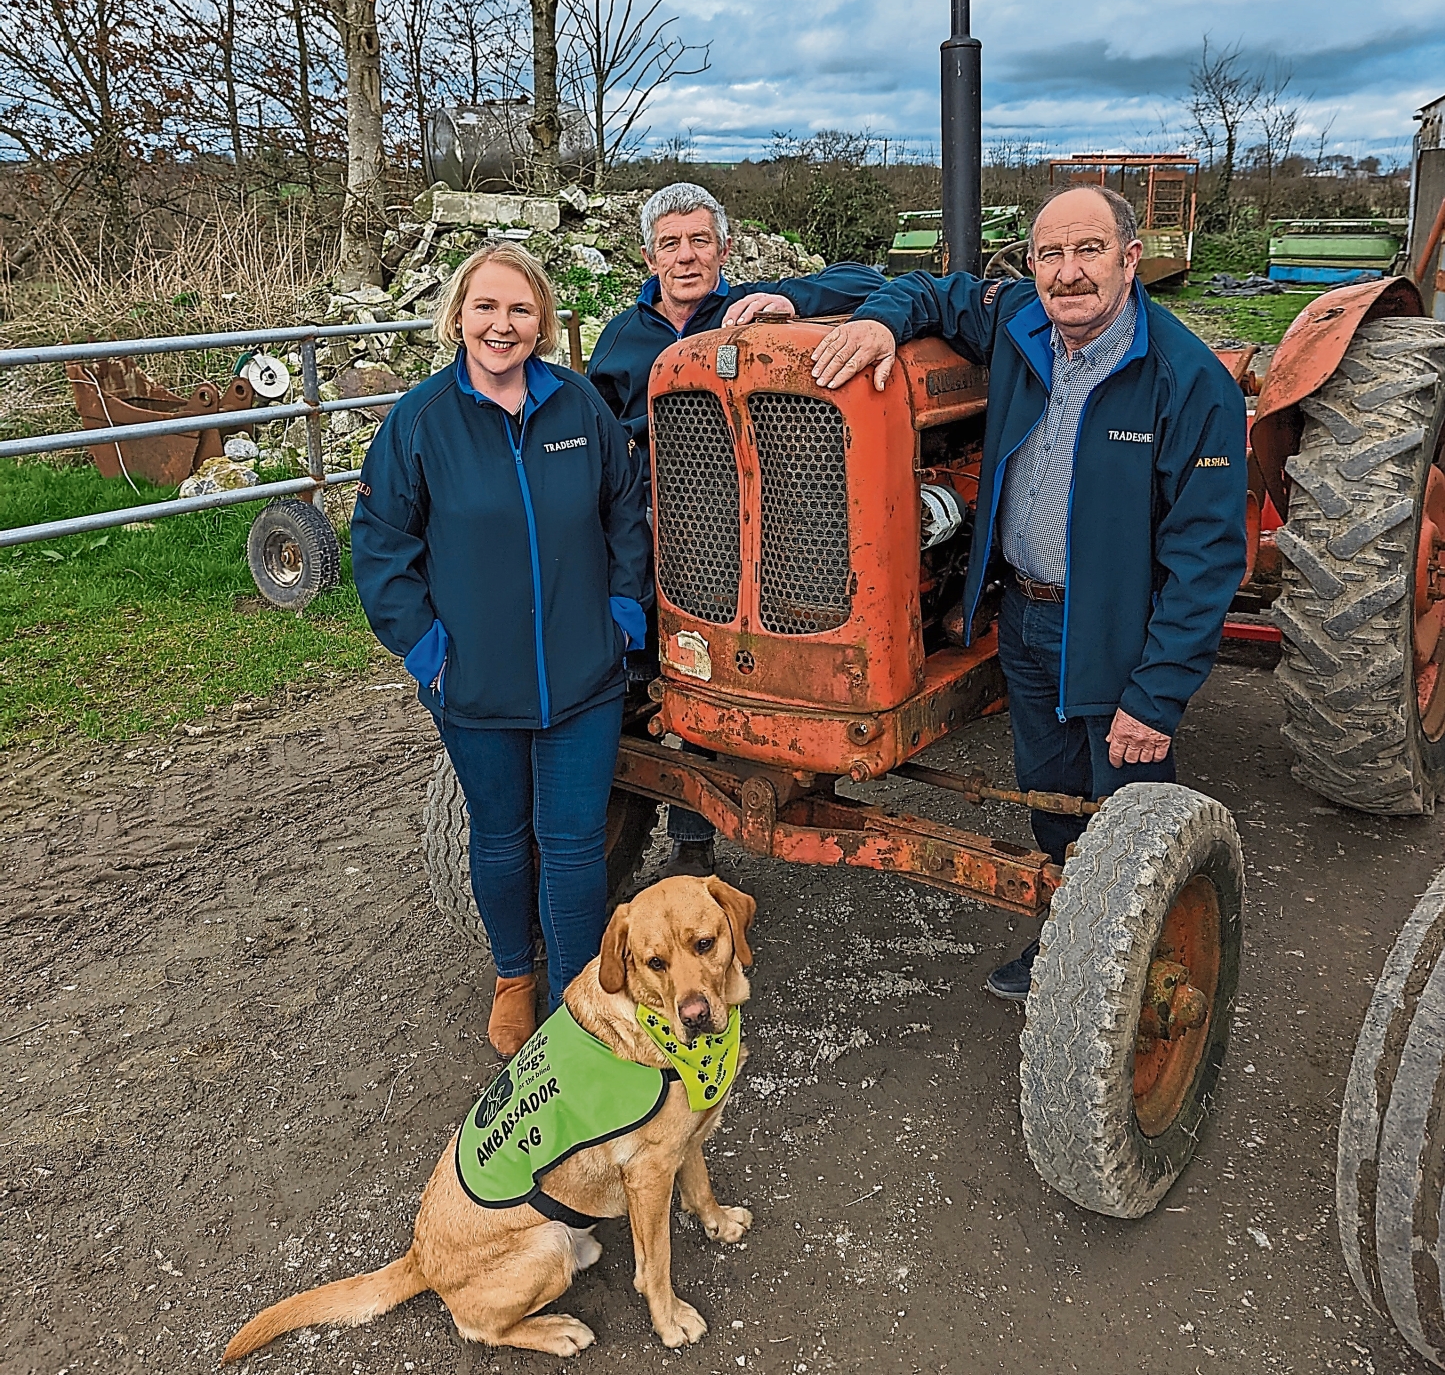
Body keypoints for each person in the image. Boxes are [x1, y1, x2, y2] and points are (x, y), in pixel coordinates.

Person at [738, 184, 1247, 1002]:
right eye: (1051, 253)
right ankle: (1061, 932)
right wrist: (875, 319)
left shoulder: (1184, 381)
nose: (1068, 272)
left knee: (1123, 802)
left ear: (1128, 258)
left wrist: (1157, 695)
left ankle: (1128, 977)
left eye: (1087, 251)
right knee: (1049, 790)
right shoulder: (1020, 323)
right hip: (1024, 614)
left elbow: (1208, 558)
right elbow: (933, 290)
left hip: (1110, 627)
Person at [351, 242, 651, 1056]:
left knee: (575, 842)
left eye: (519, 309)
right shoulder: (419, 422)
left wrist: (623, 615)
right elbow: (381, 546)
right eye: (485, 307)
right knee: (497, 835)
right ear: (457, 316)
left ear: (542, 322)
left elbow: (624, 513)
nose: (501, 324)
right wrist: (427, 652)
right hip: (475, 684)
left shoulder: (579, 409)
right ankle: (515, 975)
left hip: (583, 679)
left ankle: (581, 996)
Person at [588, 181, 884, 875]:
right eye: (670, 244)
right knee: (670, 668)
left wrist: (795, 299)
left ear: (724, 247)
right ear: (648, 255)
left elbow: (867, 280)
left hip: (754, 524)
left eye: (699, 240)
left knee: (726, 663)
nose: (686, 256)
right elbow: (600, 433)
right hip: (662, 525)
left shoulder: (752, 310)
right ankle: (666, 825)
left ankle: (699, 832)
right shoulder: (622, 336)